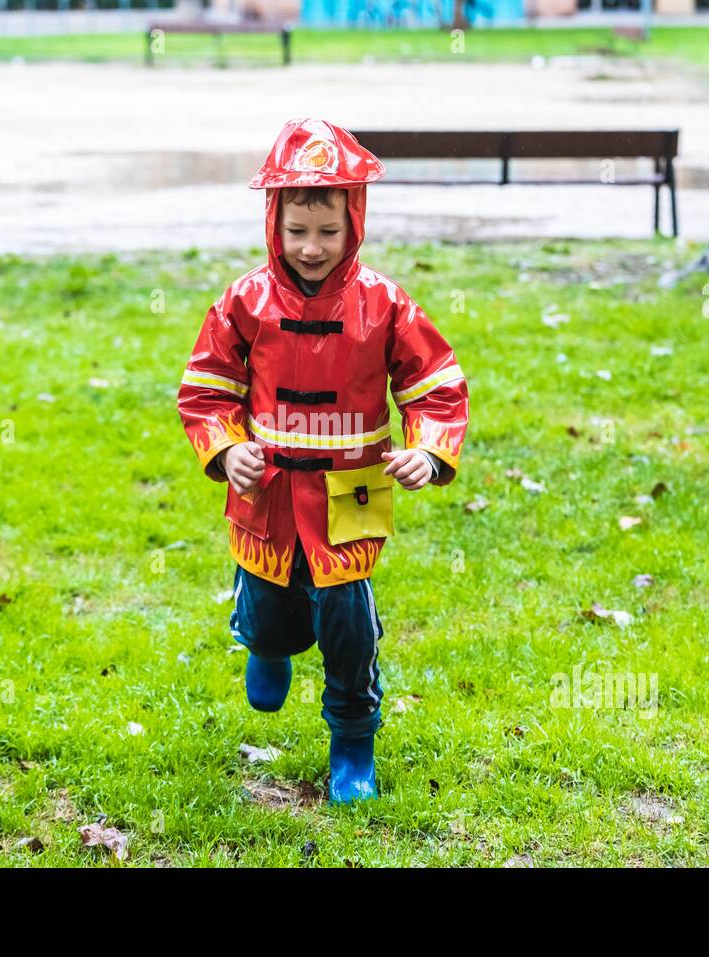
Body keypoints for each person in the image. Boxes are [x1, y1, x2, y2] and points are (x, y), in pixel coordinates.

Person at [176, 118, 470, 803]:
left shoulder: (384, 304)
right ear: (273, 223)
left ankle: (353, 744)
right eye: (297, 231)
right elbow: (206, 387)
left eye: (328, 232)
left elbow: (435, 382)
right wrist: (226, 448)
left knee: (349, 625)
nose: (312, 247)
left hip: (353, 490)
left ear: (355, 223)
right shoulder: (244, 302)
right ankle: (264, 641)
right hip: (269, 490)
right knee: (272, 607)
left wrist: (428, 448)